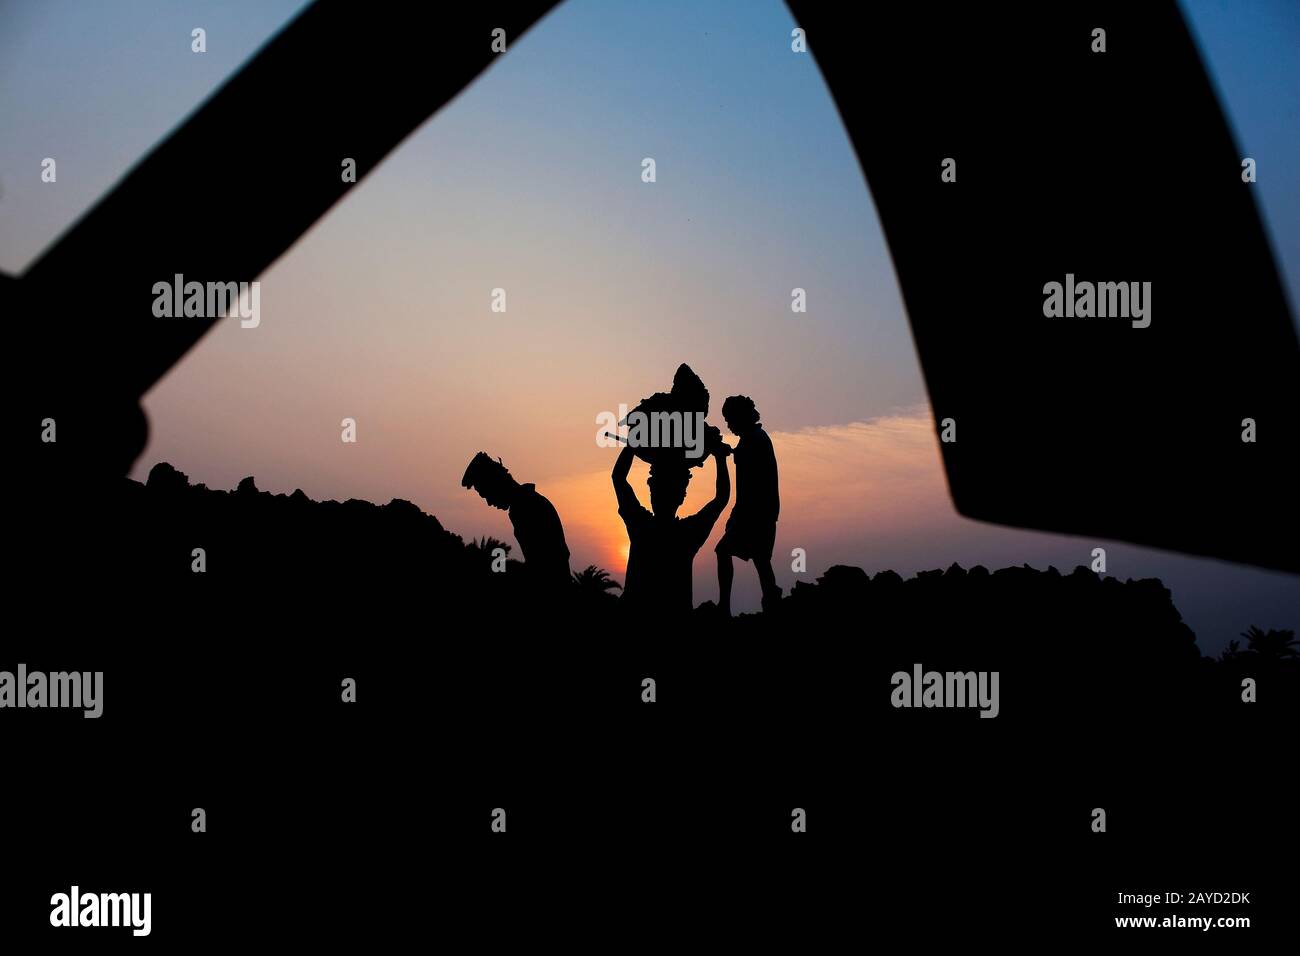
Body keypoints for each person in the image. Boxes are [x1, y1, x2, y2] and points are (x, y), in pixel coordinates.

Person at [612, 433, 730, 619]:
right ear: (682, 495)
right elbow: (721, 498)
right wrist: (720, 458)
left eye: (658, 490)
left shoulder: (641, 525)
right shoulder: (688, 533)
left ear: (651, 491)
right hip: (676, 618)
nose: (658, 495)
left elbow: (618, 478)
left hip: (634, 616)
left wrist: (632, 444)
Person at [462, 452, 571, 588]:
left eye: (486, 494)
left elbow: (543, 568)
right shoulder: (528, 503)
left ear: (496, 483)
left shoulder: (526, 508)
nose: (489, 503)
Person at [715, 395, 781, 615]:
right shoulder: (755, 438)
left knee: (723, 551)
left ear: (739, 416)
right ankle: (772, 599)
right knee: (762, 561)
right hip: (762, 512)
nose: (728, 424)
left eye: (729, 419)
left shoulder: (753, 440)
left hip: (755, 514)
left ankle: (724, 606)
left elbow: (752, 484)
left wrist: (738, 514)